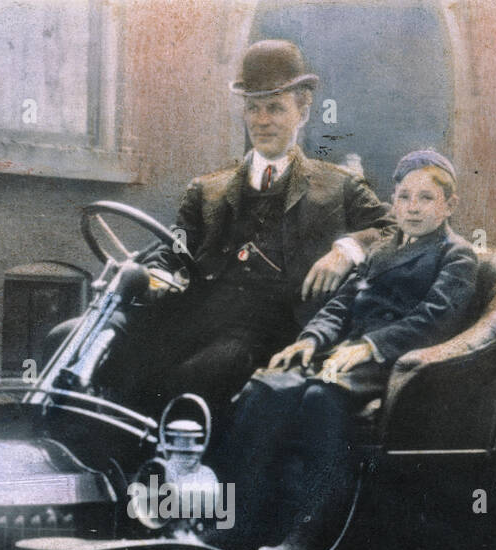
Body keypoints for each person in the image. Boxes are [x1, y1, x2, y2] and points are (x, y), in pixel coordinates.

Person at [233, 149, 479, 550]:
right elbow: (342, 303)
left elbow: (434, 319)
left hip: (400, 364)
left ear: (449, 205)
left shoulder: (456, 256)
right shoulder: (382, 250)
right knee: (266, 389)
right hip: (346, 354)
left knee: (321, 397)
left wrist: (368, 347)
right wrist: (310, 340)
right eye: (403, 197)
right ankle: (240, 520)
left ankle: (310, 531)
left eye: (425, 198)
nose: (412, 208)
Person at [126, 39, 398, 420]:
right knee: (114, 352)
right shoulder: (208, 189)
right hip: (199, 317)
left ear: (302, 112)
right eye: (253, 108)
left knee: (204, 372)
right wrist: (159, 272)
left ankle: (177, 468)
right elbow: (175, 247)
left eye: (275, 108)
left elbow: (392, 229)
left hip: (279, 332)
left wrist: (348, 249)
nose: (262, 120)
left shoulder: (338, 187)